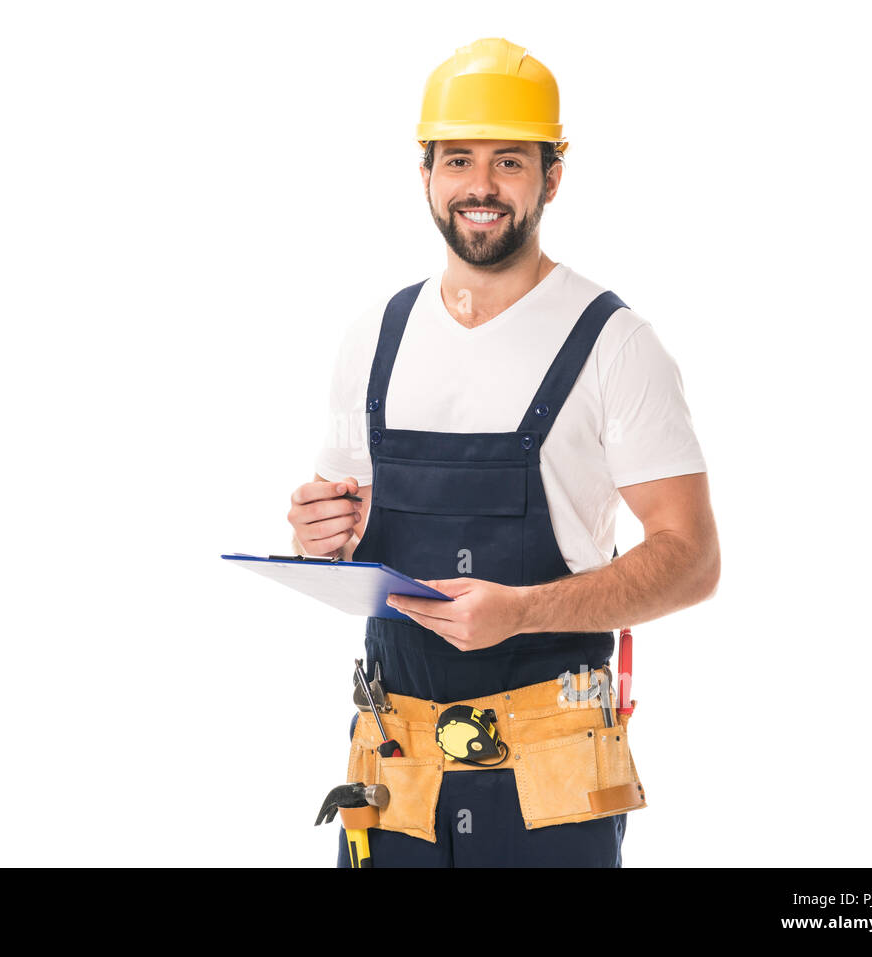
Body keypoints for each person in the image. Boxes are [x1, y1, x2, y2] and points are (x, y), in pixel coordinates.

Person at [287, 38, 720, 867]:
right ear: (426, 175)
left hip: (551, 785)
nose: (480, 186)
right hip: (394, 777)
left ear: (551, 177)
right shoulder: (374, 338)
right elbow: (350, 529)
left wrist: (522, 612)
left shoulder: (614, 345)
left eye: (509, 161)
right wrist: (324, 534)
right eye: (458, 160)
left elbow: (693, 559)